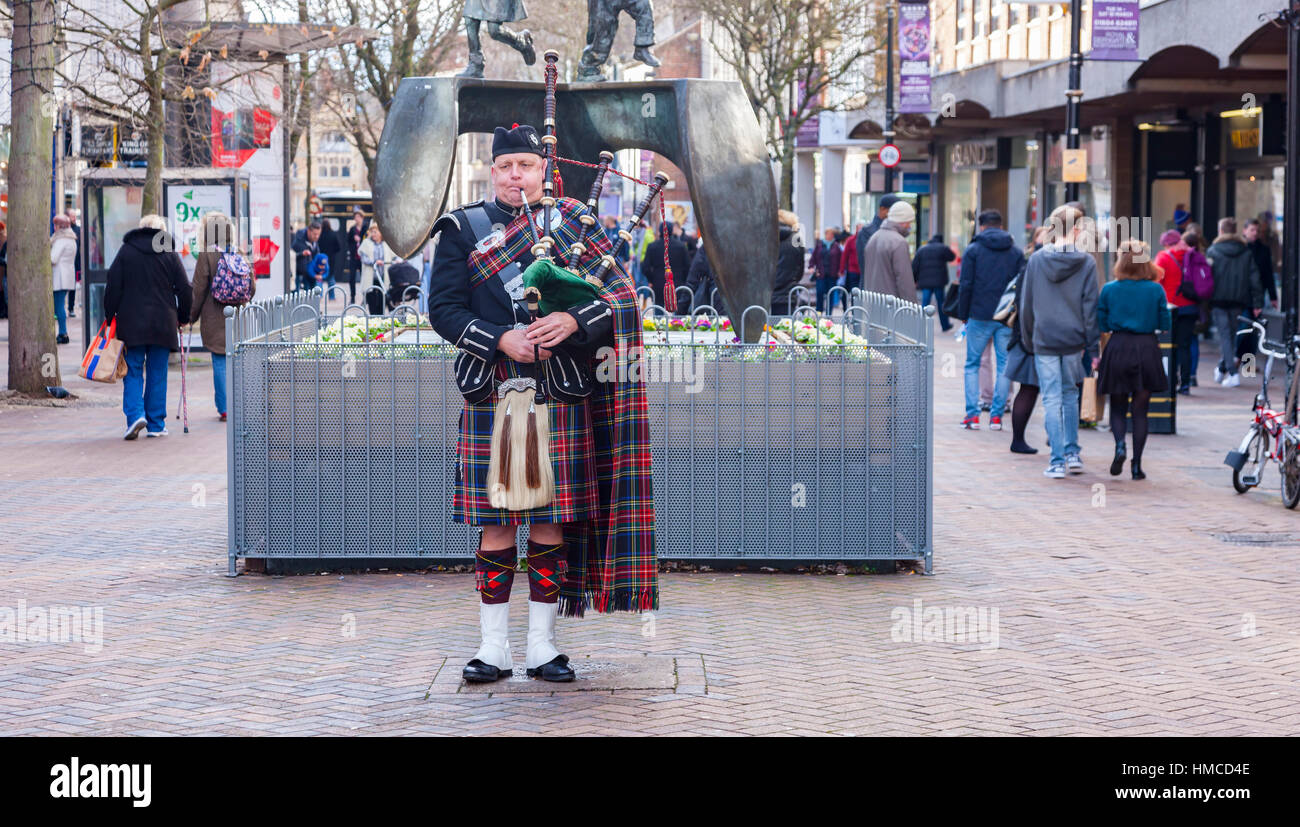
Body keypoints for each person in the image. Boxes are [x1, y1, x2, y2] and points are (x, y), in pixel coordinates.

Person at [426, 123, 657, 684]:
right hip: (493, 391)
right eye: (504, 166)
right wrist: (499, 338)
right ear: (491, 170)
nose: (514, 175)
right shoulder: (462, 229)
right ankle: (492, 648)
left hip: (562, 391)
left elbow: (622, 297)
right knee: (496, 523)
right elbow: (444, 310)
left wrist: (575, 319)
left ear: (543, 170)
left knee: (552, 521)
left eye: (525, 165)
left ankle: (542, 648)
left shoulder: (576, 222)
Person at [1018, 204, 1100, 479]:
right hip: (1073, 338)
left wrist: (1029, 338)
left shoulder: (1038, 260)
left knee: (1051, 398)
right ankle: (1072, 452)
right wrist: (1093, 345)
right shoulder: (1086, 262)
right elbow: (1090, 308)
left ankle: (1056, 460)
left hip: (1044, 336)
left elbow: (1026, 304)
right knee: (1069, 394)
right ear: (1076, 229)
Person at [104, 215, 192, 440]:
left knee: (132, 368)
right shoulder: (169, 254)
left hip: (131, 321)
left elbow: (112, 285)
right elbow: (184, 288)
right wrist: (183, 317)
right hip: (163, 321)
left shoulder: (127, 251)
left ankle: (135, 416)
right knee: (157, 371)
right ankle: (155, 423)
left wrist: (109, 315)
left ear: (141, 229)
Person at [1097, 239, 1170, 481]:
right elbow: (1165, 324)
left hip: (1118, 346)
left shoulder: (1109, 289)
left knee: (1117, 406)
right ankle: (1137, 465)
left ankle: (1120, 445)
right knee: (1141, 411)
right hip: (1146, 347)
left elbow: (1102, 323)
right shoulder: (1155, 290)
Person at [957, 209, 1025, 430]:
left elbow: (965, 284)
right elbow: (1021, 285)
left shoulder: (973, 250)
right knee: (1005, 366)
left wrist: (963, 315)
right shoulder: (1015, 252)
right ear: (1001, 225)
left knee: (972, 364)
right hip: (1006, 317)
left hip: (979, 314)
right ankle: (996, 417)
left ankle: (972, 416)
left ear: (982, 226)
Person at [188, 212, 256, 421]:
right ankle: (240, 404)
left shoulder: (206, 254)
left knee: (219, 360)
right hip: (237, 315)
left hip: (214, 315)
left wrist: (190, 316)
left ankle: (225, 408)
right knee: (237, 361)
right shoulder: (240, 252)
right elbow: (251, 287)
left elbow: (198, 290)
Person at [996, 226, 1048, 454]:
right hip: (1033, 336)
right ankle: (1021, 440)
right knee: (1035, 389)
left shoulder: (1029, 264)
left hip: (1026, 335)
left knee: (1028, 388)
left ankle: (1019, 439)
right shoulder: (1035, 265)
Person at [1206, 217, 1263, 388]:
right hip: (1239, 300)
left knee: (1226, 336)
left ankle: (1232, 372)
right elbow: (1255, 280)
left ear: (1221, 231)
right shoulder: (1246, 253)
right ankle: (1222, 367)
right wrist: (1258, 302)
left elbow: (1208, 278)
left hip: (1218, 300)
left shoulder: (1213, 251)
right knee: (1230, 335)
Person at [1154, 229, 1197, 395]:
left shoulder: (1163, 257)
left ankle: (1171, 380)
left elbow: (1156, 282)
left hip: (1170, 307)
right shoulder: (1191, 255)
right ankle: (1186, 383)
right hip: (1190, 306)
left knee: (1168, 346)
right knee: (1185, 346)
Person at [861, 200, 918, 303]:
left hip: (872, 305)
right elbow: (904, 281)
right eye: (909, 222)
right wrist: (913, 309)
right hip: (892, 308)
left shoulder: (874, 238)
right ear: (903, 221)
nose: (909, 226)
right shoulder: (898, 242)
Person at [640, 220, 690, 308]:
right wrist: (683, 280)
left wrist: (651, 280)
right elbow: (687, 266)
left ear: (659, 231)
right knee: (677, 315)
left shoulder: (652, 246)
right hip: (676, 283)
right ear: (672, 230)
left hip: (658, 283)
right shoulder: (681, 246)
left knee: (658, 313)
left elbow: (645, 267)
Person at [912, 234, 956, 332]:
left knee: (925, 303)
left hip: (925, 281)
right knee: (941, 304)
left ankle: (920, 326)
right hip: (939, 282)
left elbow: (915, 265)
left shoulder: (922, 249)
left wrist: (914, 279)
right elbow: (952, 257)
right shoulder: (943, 248)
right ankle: (945, 325)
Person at [771, 209, 805, 316]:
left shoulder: (766, 237)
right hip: (787, 292)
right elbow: (800, 268)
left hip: (765, 292)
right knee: (784, 328)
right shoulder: (796, 239)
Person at [50, 215, 78, 344]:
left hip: (59, 277)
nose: (54, 227)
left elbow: (53, 258)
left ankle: (63, 333)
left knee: (59, 306)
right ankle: (63, 331)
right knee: (61, 305)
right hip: (66, 277)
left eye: (55, 225)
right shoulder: (71, 239)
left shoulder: (61, 240)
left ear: (59, 226)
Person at [856, 194, 899, 275]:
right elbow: (866, 264)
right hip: (873, 284)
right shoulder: (866, 232)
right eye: (894, 211)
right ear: (883, 209)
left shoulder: (896, 230)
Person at [359, 224, 395, 316]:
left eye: (375, 232)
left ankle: (381, 323)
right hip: (371, 279)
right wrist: (374, 262)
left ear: (381, 233)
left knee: (382, 303)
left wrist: (396, 261)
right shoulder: (366, 243)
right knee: (372, 303)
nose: (373, 234)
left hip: (383, 279)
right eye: (371, 232)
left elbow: (393, 257)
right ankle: (372, 322)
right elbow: (364, 258)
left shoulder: (386, 244)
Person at [1244, 218, 1278, 310]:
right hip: (1242, 297)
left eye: (1257, 230)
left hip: (1259, 294)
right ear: (1245, 231)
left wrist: (1273, 296)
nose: (1255, 233)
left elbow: (1268, 274)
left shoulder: (1264, 250)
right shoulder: (1240, 249)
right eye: (1252, 230)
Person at [684, 238, 723, 316]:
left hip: (716, 305)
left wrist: (680, 313)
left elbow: (692, 282)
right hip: (734, 309)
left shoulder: (707, 248)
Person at [811, 228, 841, 314]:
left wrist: (840, 270)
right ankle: (819, 313)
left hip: (832, 275)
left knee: (830, 295)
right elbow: (814, 257)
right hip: (821, 274)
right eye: (829, 234)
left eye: (832, 234)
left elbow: (840, 259)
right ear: (826, 234)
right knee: (820, 293)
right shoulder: (819, 245)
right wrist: (812, 266)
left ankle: (829, 314)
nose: (830, 235)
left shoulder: (836, 246)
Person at [291, 220, 323, 293]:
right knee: (296, 297)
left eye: (319, 234)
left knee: (311, 295)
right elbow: (291, 255)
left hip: (310, 274)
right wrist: (302, 254)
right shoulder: (298, 239)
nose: (317, 237)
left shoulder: (314, 242)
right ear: (308, 231)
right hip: (298, 273)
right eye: (315, 234)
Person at [346, 209, 367, 304]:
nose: (356, 219)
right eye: (355, 217)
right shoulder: (352, 229)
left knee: (365, 278)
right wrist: (353, 244)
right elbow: (348, 241)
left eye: (358, 217)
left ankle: (365, 297)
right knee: (352, 278)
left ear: (362, 217)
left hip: (363, 257)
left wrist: (361, 240)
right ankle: (353, 297)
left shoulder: (366, 227)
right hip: (354, 257)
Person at [840, 221, 862, 298]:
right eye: (859, 228)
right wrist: (842, 270)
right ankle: (854, 309)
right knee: (854, 291)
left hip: (863, 271)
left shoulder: (866, 239)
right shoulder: (851, 240)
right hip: (853, 270)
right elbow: (844, 256)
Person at [67, 207, 81, 318]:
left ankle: (71, 307)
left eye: (75, 216)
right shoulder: (65, 230)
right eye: (72, 216)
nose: (74, 218)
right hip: (67, 262)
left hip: (76, 262)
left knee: (73, 286)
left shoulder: (78, 229)